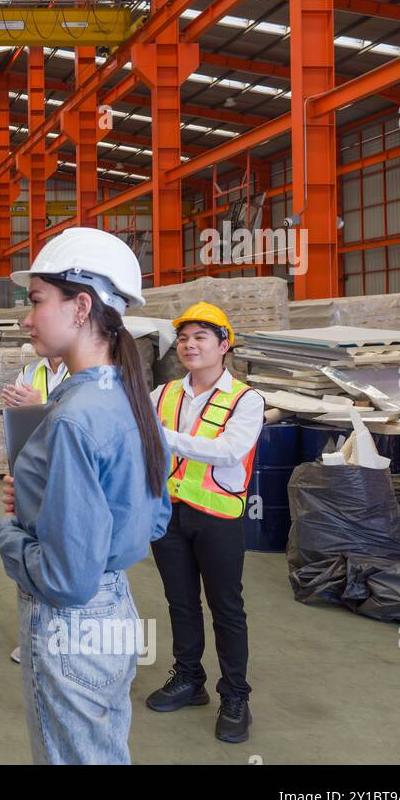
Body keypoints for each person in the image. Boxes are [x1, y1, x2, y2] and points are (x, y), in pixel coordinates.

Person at [0, 227, 170, 765]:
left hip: (70, 624)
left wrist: (10, 535)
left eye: (37, 300)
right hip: (114, 610)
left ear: (81, 307)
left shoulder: (72, 419)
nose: (27, 318)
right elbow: (154, 519)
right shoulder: (131, 399)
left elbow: (66, 579)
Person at [147, 302, 261, 744]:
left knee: (227, 610)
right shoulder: (164, 394)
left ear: (223, 345)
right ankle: (189, 678)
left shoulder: (246, 399)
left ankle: (235, 695)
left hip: (218, 519)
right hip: (169, 515)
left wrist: (163, 437)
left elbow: (230, 451)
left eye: (200, 338)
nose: (189, 346)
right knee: (180, 602)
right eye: (184, 338)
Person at [1, 354, 69, 665]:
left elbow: (77, 424)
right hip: (33, 474)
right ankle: (33, 636)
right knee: (32, 556)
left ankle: (64, 638)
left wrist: (41, 404)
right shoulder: (29, 371)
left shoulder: (86, 375)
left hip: (68, 474)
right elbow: (18, 422)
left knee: (66, 557)